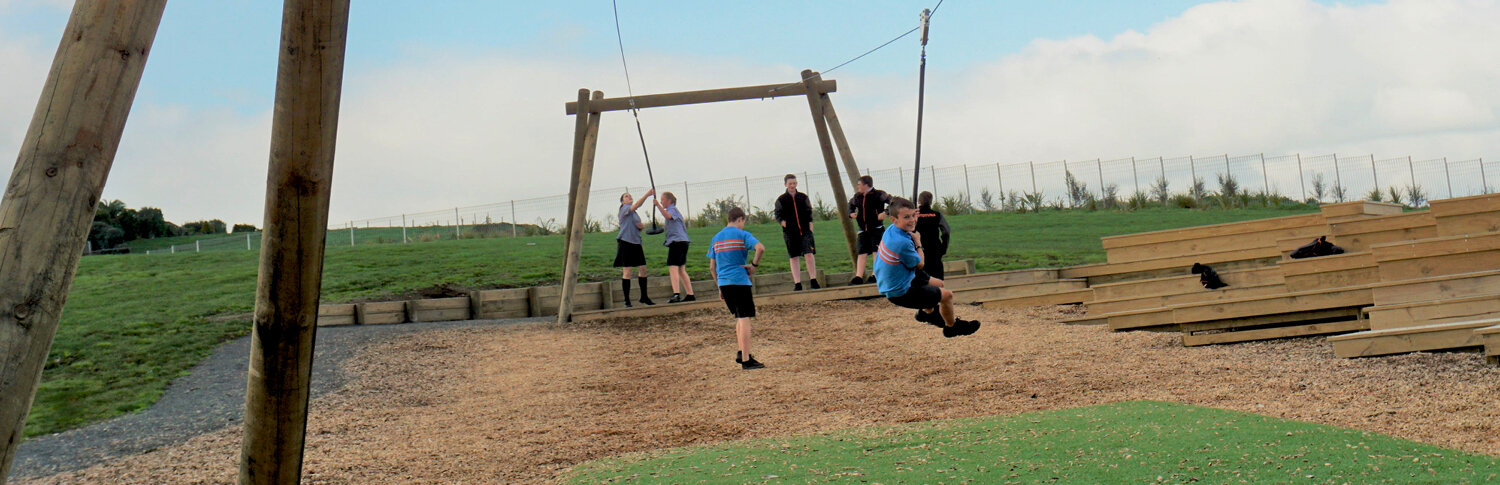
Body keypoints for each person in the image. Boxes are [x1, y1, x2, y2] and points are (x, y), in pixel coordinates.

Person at [875, 197, 980, 338]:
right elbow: (920, 264)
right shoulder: (901, 242)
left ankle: (927, 313)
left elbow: (898, 208)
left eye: (913, 215)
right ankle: (951, 328)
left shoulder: (891, 230)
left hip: (898, 276)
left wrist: (907, 215)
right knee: (947, 295)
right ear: (894, 220)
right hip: (900, 291)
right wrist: (918, 242)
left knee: (939, 284)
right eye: (907, 217)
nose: (912, 220)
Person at [707, 207, 767, 370]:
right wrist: (754, 265)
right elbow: (760, 248)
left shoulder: (716, 238)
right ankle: (747, 360)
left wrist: (719, 286)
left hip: (724, 283)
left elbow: (712, 267)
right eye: (743, 222)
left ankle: (742, 351)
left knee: (739, 318)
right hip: (740, 281)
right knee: (745, 318)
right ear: (740, 219)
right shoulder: (742, 235)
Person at [774, 174, 820, 291]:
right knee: (794, 257)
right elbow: (778, 215)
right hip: (790, 232)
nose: (793, 185)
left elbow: (809, 212)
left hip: (805, 231)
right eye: (790, 184)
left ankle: (813, 280)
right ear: (785, 185)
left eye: (794, 183)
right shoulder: (781, 200)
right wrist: (784, 223)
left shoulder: (803, 197)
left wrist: (810, 227)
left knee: (808, 254)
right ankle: (797, 283)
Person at [614, 189, 656, 307]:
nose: (629, 197)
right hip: (626, 243)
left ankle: (644, 297)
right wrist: (648, 194)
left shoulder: (634, 213)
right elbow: (637, 204)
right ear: (622, 202)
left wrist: (640, 226)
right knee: (627, 271)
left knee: (643, 269)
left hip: (636, 243)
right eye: (626, 196)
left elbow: (637, 224)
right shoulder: (624, 209)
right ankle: (627, 300)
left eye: (630, 196)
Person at [847, 175, 891, 285]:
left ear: (866, 185)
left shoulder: (878, 194)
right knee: (862, 252)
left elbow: (892, 202)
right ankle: (858, 277)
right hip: (863, 229)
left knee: (876, 251)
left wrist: (885, 212)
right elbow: (850, 205)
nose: (858, 187)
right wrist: (851, 213)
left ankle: (875, 275)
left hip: (876, 228)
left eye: (859, 185)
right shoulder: (857, 196)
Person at [655, 191, 696, 303]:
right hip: (683, 242)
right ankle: (690, 294)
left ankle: (676, 294)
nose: (661, 201)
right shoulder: (675, 211)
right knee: (681, 269)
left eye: (662, 200)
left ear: (669, 201)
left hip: (677, 242)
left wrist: (658, 206)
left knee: (673, 267)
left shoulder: (671, 210)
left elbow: (668, 216)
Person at [915, 191, 952, 280]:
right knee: (938, 280)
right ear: (931, 202)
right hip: (935, 250)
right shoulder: (937, 215)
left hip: (918, 251)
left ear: (919, 201)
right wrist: (943, 247)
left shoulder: (914, 216)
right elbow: (946, 231)